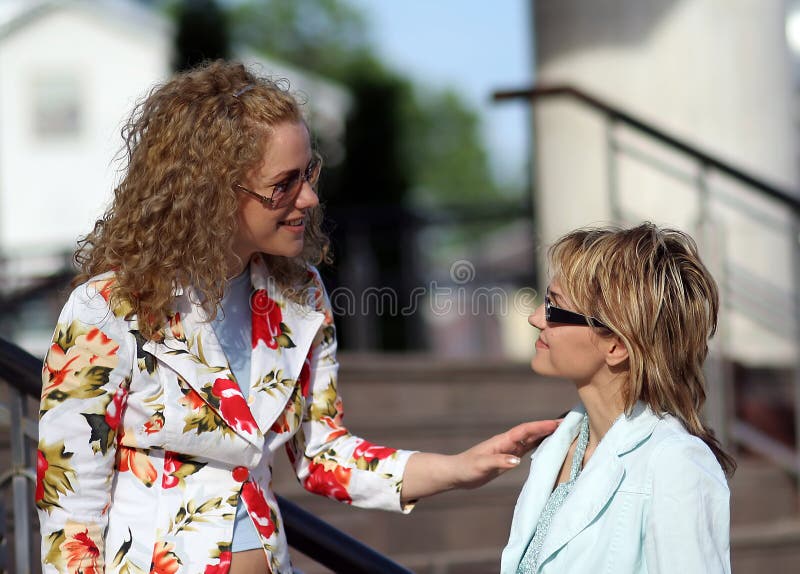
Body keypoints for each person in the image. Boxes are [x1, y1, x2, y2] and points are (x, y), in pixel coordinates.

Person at [35, 60, 558, 574]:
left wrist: (457, 468)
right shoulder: (108, 309)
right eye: (282, 183)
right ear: (210, 193)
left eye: (309, 172)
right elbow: (70, 513)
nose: (307, 197)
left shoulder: (301, 294)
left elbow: (321, 454)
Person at [501, 223, 735, 574]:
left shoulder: (674, 464)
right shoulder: (561, 443)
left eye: (553, 307)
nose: (536, 318)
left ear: (616, 345)